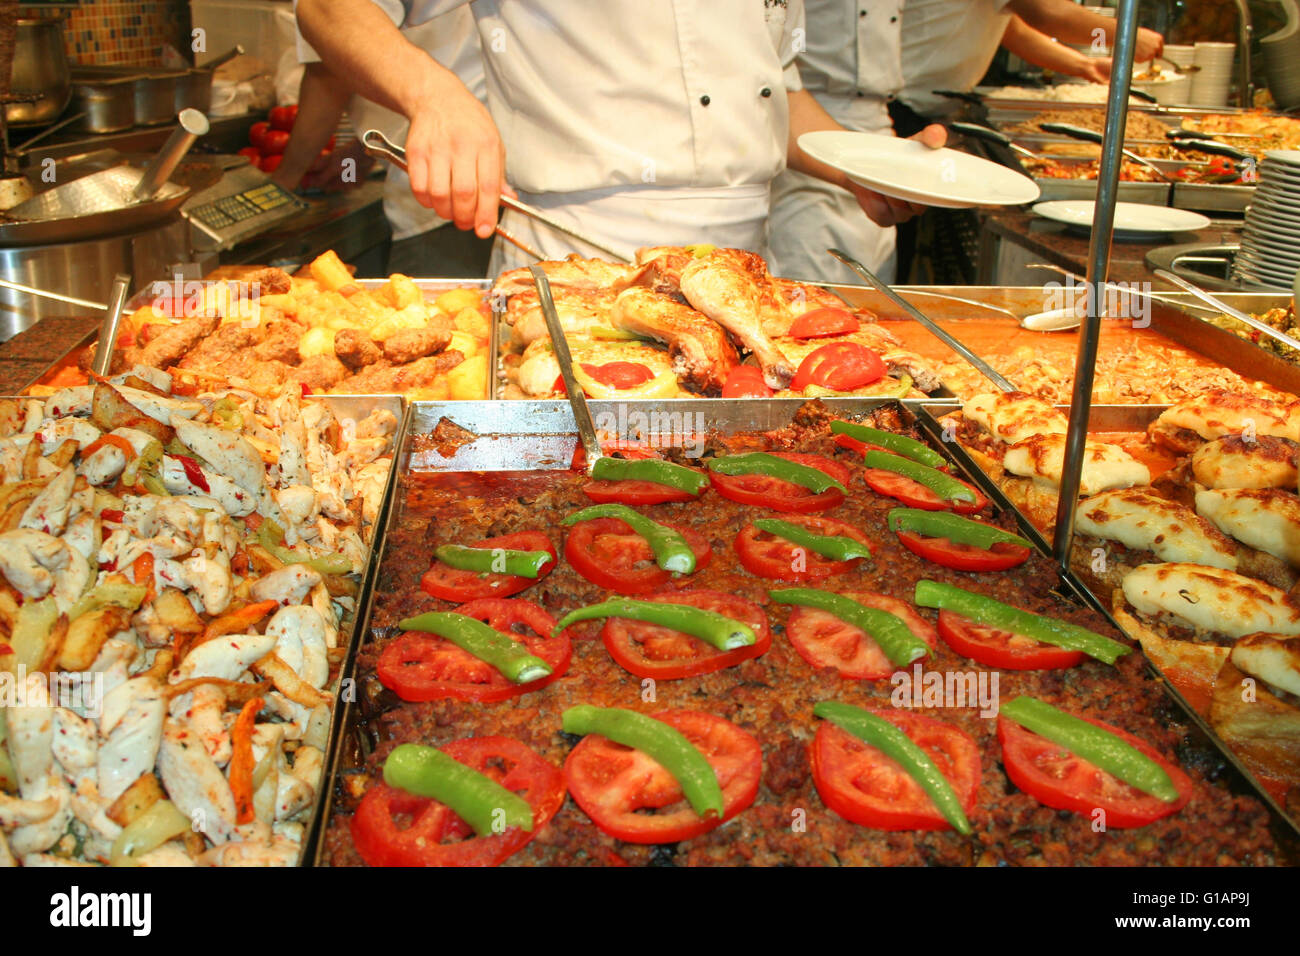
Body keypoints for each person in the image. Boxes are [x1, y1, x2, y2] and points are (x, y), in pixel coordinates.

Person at [295, 0, 940, 275]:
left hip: (743, 271)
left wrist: (862, 165)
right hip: (577, 259)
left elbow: (775, 90)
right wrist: (433, 93)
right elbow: (328, 9)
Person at [273, 9, 493, 277]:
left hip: (442, 192)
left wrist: (282, 183)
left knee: (423, 314)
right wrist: (367, 151)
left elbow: (327, 76)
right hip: (478, 174)